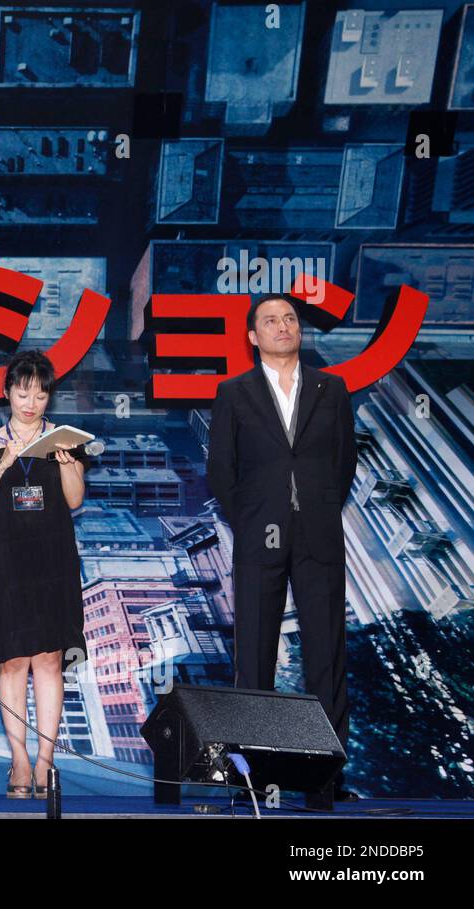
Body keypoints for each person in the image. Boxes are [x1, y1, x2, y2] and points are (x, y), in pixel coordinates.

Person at [206, 293, 358, 810]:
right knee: (253, 657)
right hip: (259, 538)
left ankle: (323, 779)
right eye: (269, 321)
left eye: (290, 318)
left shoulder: (331, 388)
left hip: (318, 536)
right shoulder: (234, 392)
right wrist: (250, 522)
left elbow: (344, 464)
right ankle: (252, 778)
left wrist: (316, 509)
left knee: (327, 658)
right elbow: (221, 471)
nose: (282, 326)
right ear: (252, 337)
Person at [0, 350, 87, 798]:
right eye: (23, 392)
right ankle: (18, 759)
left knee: (50, 661)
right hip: (5, 562)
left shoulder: (65, 439)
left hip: (53, 561)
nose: (31, 402)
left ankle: (46, 761)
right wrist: (4, 462)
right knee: (12, 661)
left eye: (40, 393)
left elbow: (74, 501)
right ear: (8, 393)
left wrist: (71, 464)